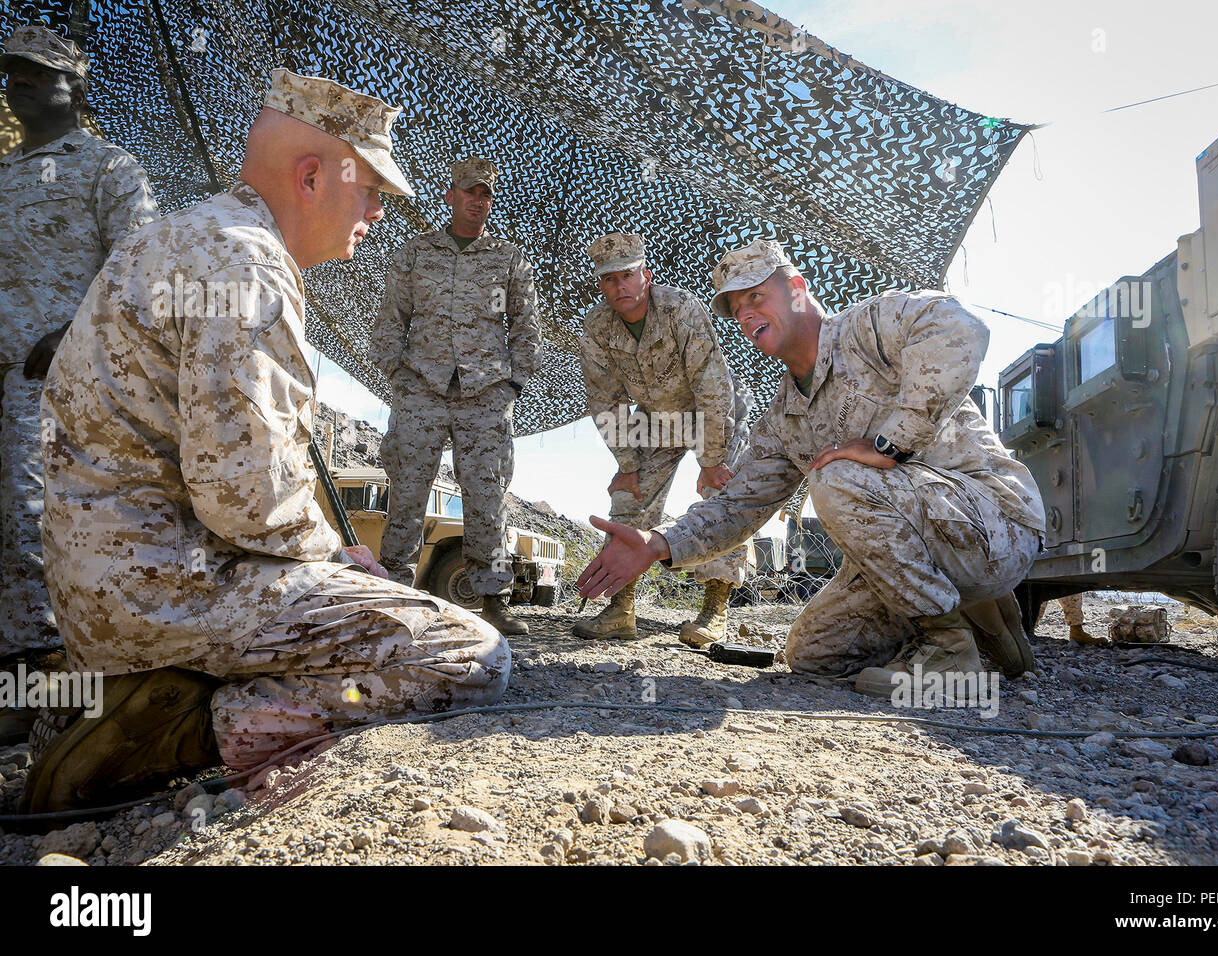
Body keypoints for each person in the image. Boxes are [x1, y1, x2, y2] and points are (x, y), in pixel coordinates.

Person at [22, 69, 510, 813]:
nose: (378, 212)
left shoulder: (174, 237)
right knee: (470, 655)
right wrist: (336, 558)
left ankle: (129, 692)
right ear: (311, 178)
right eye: (371, 191)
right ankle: (178, 732)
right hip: (167, 594)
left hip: (105, 592)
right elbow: (248, 500)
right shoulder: (246, 265)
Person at [577, 239, 1046, 697]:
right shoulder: (783, 419)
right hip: (915, 553)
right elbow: (738, 505)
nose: (746, 315)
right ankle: (978, 616)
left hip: (994, 522)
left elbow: (959, 325)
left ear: (797, 289)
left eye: (756, 296)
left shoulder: (865, 330)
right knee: (814, 653)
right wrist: (657, 543)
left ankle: (949, 646)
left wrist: (892, 443)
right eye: (737, 309)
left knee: (836, 476)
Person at [0, 25, 157, 710]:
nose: (23, 83)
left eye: (41, 72)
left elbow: (141, 270)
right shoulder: (3, 172)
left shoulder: (108, 168)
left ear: (76, 85)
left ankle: (48, 689)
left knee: (39, 519)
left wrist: (73, 331)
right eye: (15, 72)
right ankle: (17, 682)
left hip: (59, 380)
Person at [370, 156, 540, 637]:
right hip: (420, 388)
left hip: (484, 394)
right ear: (451, 196)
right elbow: (391, 318)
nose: (477, 200)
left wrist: (511, 386)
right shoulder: (415, 253)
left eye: (485, 194)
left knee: (487, 494)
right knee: (407, 490)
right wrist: (397, 375)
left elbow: (526, 327)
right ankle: (394, 592)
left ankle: (493, 599)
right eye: (469, 191)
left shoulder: (509, 259)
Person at [572, 233, 751, 645]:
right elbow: (606, 399)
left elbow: (711, 386)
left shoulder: (680, 307)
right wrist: (627, 465)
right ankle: (620, 609)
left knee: (723, 495)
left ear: (646, 276)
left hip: (714, 409)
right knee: (628, 497)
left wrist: (711, 459)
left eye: (627, 275)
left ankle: (714, 612)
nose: (620, 286)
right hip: (656, 415)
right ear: (601, 285)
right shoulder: (598, 326)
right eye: (609, 279)